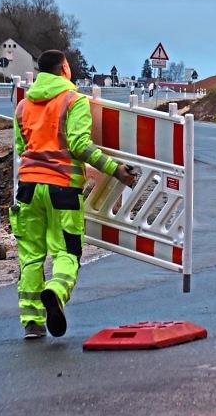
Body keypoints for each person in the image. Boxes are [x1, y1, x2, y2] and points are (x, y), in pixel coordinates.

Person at [11, 50, 138, 340]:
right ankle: (55, 292)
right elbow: (80, 145)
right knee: (66, 251)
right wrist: (114, 169)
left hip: (28, 189)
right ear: (64, 68)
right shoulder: (74, 100)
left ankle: (32, 320)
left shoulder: (22, 107)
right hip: (62, 190)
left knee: (31, 256)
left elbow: (22, 148)